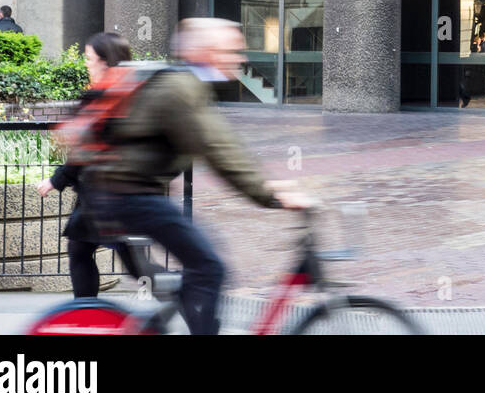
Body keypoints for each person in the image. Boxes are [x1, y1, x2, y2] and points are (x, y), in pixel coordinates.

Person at [81, 18, 311, 335]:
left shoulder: (185, 83)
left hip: (121, 194)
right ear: (206, 52)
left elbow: (224, 144)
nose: (240, 59)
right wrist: (269, 194)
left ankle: (176, 317)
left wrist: (267, 187)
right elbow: (216, 149)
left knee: (200, 267)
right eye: (231, 51)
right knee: (209, 267)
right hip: (127, 196)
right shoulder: (181, 89)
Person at [37, 32, 137, 298]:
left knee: (93, 253)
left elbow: (85, 148)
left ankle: (86, 313)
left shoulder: (102, 95)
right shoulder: (130, 90)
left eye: (89, 58)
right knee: (85, 250)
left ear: (105, 61)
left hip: (104, 193)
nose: (86, 63)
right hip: (122, 189)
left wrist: (55, 180)